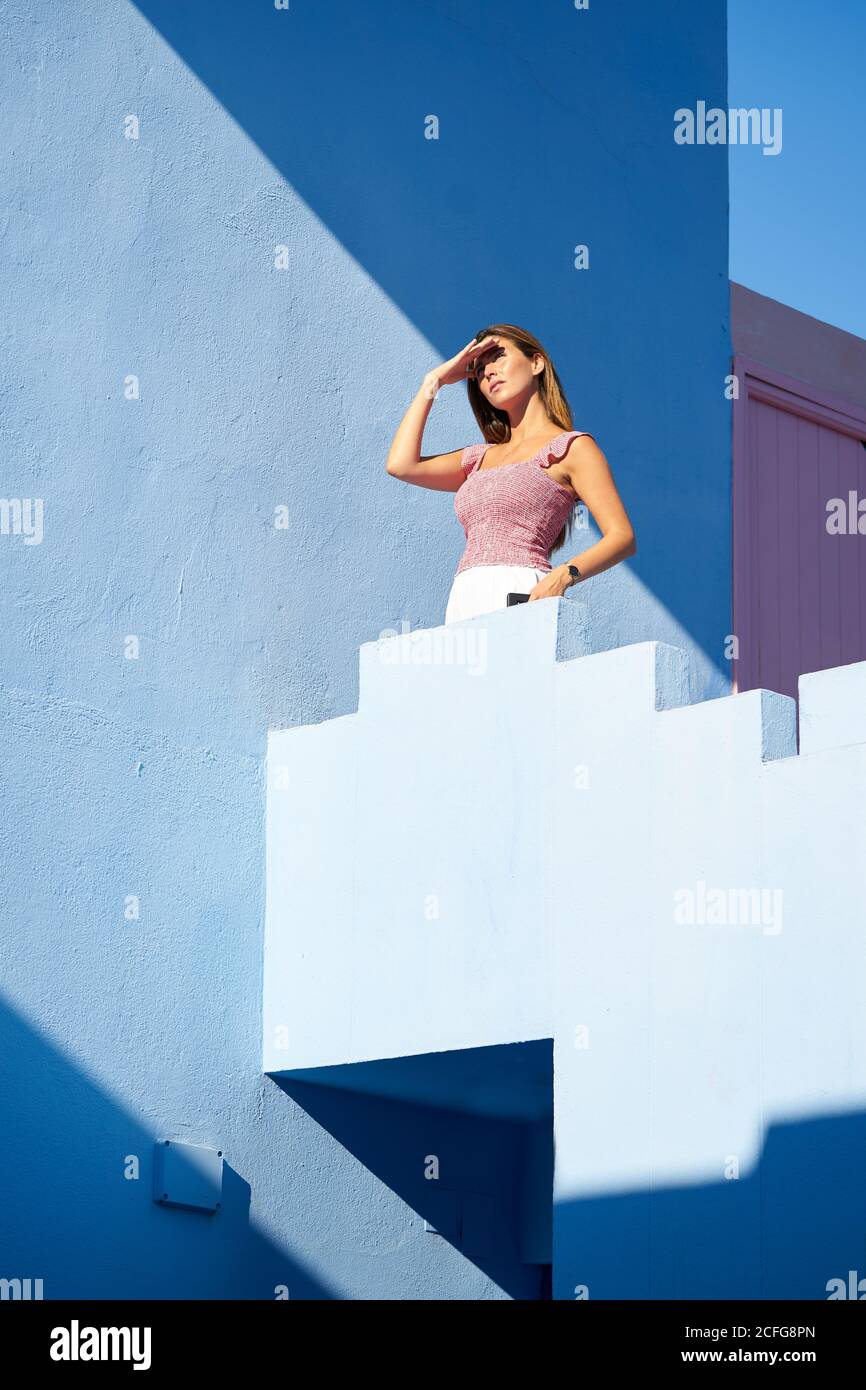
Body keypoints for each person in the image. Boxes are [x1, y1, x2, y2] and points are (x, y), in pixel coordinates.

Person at [385, 322, 636, 624]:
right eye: (478, 371)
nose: (488, 371)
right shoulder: (479, 457)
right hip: (465, 597)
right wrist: (434, 381)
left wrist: (564, 575)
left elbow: (622, 537)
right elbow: (400, 465)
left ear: (536, 363)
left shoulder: (572, 448)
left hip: (523, 590)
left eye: (498, 357)